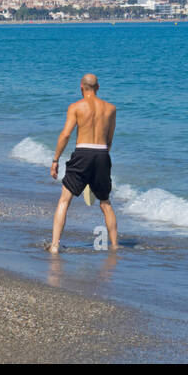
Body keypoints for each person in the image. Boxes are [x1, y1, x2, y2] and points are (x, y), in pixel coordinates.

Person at [49, 73, 118, 254]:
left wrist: (55, 159)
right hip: (102, 153)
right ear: (98, 87)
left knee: (64, 200)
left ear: (81, 87)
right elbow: (109, 140)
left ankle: (55, 245)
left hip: (83, 153)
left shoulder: (76, 107)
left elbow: (65, 135)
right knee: (105, 203)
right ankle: (115, 247)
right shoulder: (110, 109)